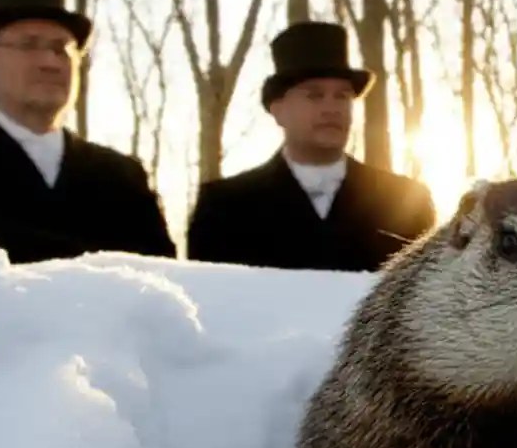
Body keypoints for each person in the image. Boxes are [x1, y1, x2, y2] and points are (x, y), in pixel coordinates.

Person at [186, 21, 435, 271]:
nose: (332, 108)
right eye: (314, 95)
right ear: (278, 110)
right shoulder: (224, 209)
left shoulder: (405, 203)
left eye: (342, 96)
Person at [0, 0, 175, 264]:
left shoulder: (122, 177)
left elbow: (165, 282)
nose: (51, 63)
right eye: (29, 45)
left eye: (62, 48)